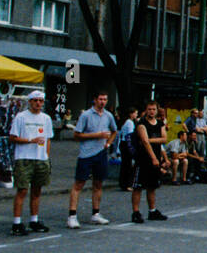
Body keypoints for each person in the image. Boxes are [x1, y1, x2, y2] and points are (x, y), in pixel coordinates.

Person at [68, 91, 117, 228]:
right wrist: (97, 135)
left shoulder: (108, 115)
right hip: (86, 154)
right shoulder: (86, 115)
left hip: (101, 153)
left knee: (98, 184)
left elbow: (114, 130)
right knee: (79, 183)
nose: (103, 102)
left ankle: (96, 213)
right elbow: (77, 135)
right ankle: (72, 215)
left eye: (105, 99)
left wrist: (108, 143)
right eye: (100, 99)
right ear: (95, 100)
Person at [9, 90, 53, 236]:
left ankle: (34, 220)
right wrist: (30, 140)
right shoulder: (21, 117)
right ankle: (17, 222)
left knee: (37, 190)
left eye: (40, 101)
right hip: (24, 157)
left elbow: (48, 138)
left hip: (40, 158)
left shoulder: (46, 118)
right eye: (35, 100)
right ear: (30, 102)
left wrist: (46, 156)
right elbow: (13, 137)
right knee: (22, 190)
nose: (38, 103)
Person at [129, 101, 169, 223]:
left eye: (154, 109)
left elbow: (164, 138)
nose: (152, 111)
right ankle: (136, 212)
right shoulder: (141, 124)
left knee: (152, 186)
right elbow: (144, 142)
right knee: (138, 186)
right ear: (146, 110)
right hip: (143, 159)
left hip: (155, 158)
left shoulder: (160, 123)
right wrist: (153, 157)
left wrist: (150, 140)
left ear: (157, 110)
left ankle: (152, 210)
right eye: (149, 109)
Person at [118, 106, 138, 194]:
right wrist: (131, 148)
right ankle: (127, 184)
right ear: (132, 114)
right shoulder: (130, 123)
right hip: (126, 144)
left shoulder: (126, 122)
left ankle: (124, 183)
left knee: (125, 164)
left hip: (123, 144)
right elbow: (129, 136)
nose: (136, 115)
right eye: (135, 113)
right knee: (127, 165)